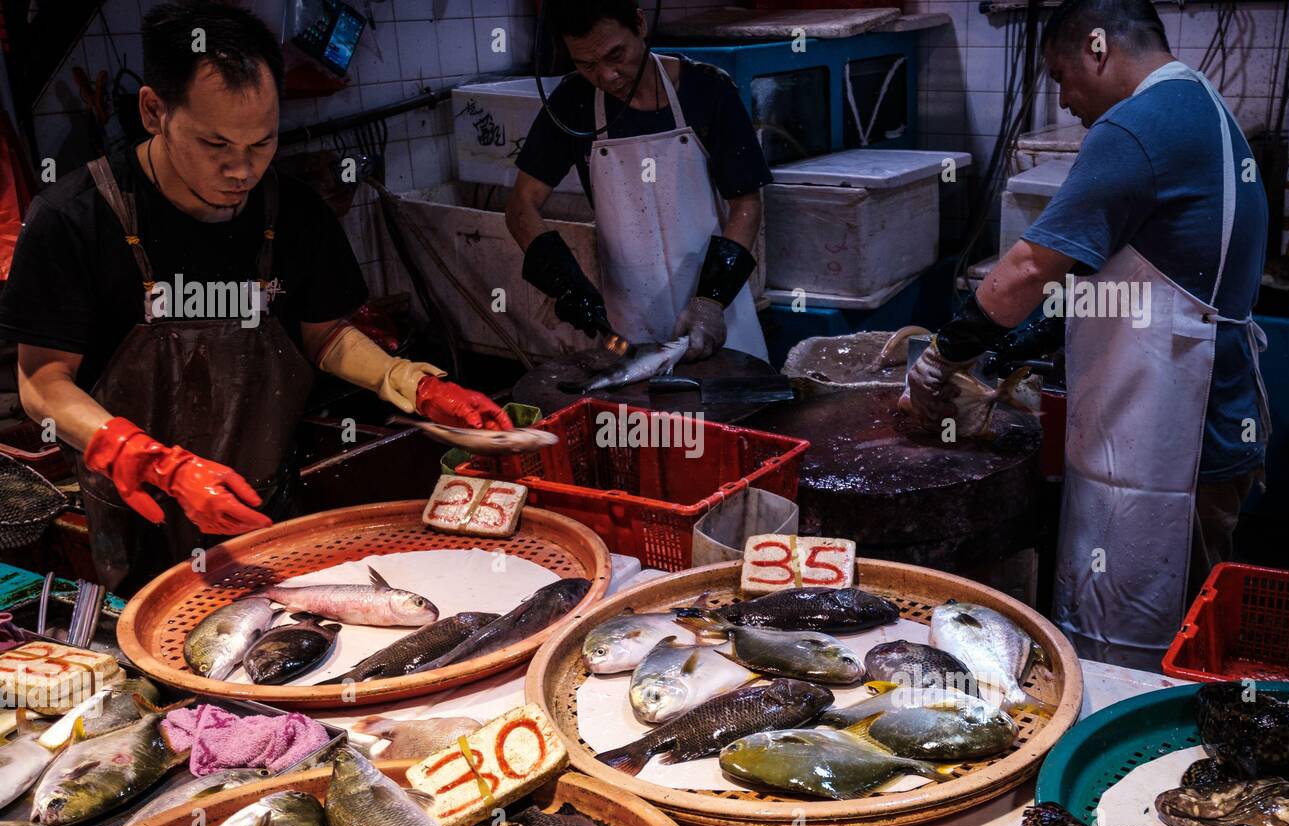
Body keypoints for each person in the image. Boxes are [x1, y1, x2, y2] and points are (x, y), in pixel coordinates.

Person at [0, 1, 509, 594]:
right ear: (153, 111)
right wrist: (150, 461)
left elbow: (326, 338)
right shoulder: (74, 219)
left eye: (262, 143)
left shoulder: (292, 210)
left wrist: (415, 384)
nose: (241, 170)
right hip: (140, 521)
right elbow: (42, 385)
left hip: (268, 508)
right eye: (215, 144)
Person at [905, 0, 1270, 670]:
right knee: (1191, 632)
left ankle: (1126, 755)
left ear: (1098, 47)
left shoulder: (1137, 127)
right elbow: (1112, 276)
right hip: (1211, 423)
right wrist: (1018, 346)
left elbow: (1025, 270)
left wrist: (937, 361)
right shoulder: (1201, 107)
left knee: (1151, 651)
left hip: (1175, 442)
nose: (1065, 98)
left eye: (1062, 74)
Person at [506, 0, 770, 361]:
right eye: (586, 64)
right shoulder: (573, 103)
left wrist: (710, 301)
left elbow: (746, 202)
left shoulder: (707, 90)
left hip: (719, 311)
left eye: (616, 55)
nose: (607, 76)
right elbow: (522, 204)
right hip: (629, 327)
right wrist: (567, 286)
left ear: (640, 25)